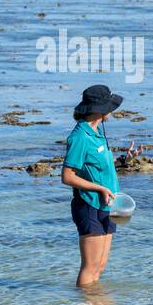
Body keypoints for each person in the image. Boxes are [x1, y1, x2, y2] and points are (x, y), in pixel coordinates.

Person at [62, 84, 124, 288]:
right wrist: (99, 189)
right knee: (90, 267)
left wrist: (125, 160)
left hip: (109, 204)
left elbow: (98, 167)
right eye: (109, 107)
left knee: (101, 266)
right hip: (89, 205)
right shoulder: (80, 137)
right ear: (98, 109)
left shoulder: (97, 132)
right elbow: (67, 177)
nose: (112, 111)